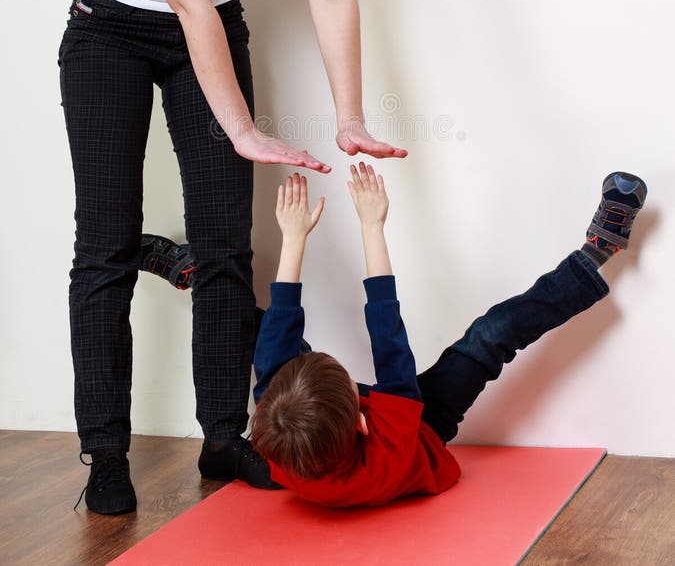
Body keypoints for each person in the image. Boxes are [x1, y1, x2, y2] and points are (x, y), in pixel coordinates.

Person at [59, 0, 406, 516]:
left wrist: (348, 113)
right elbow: (184, 2)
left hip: (212, 24)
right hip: (109, 26)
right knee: (104, 242)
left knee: (224, 240)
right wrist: (242, 129)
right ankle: (105, 453)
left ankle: (223, 435)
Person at [249, 165, 647, 507]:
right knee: (489, 336)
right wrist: (372, 226)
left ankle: (224, 292)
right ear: (363, 422)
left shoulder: (277, 437)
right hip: (418, 433)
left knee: (271, 336)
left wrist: (293, 237)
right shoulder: (392, 437)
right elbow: (388, 340)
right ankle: (599, 251)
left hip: (353, 431)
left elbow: (276, 348)